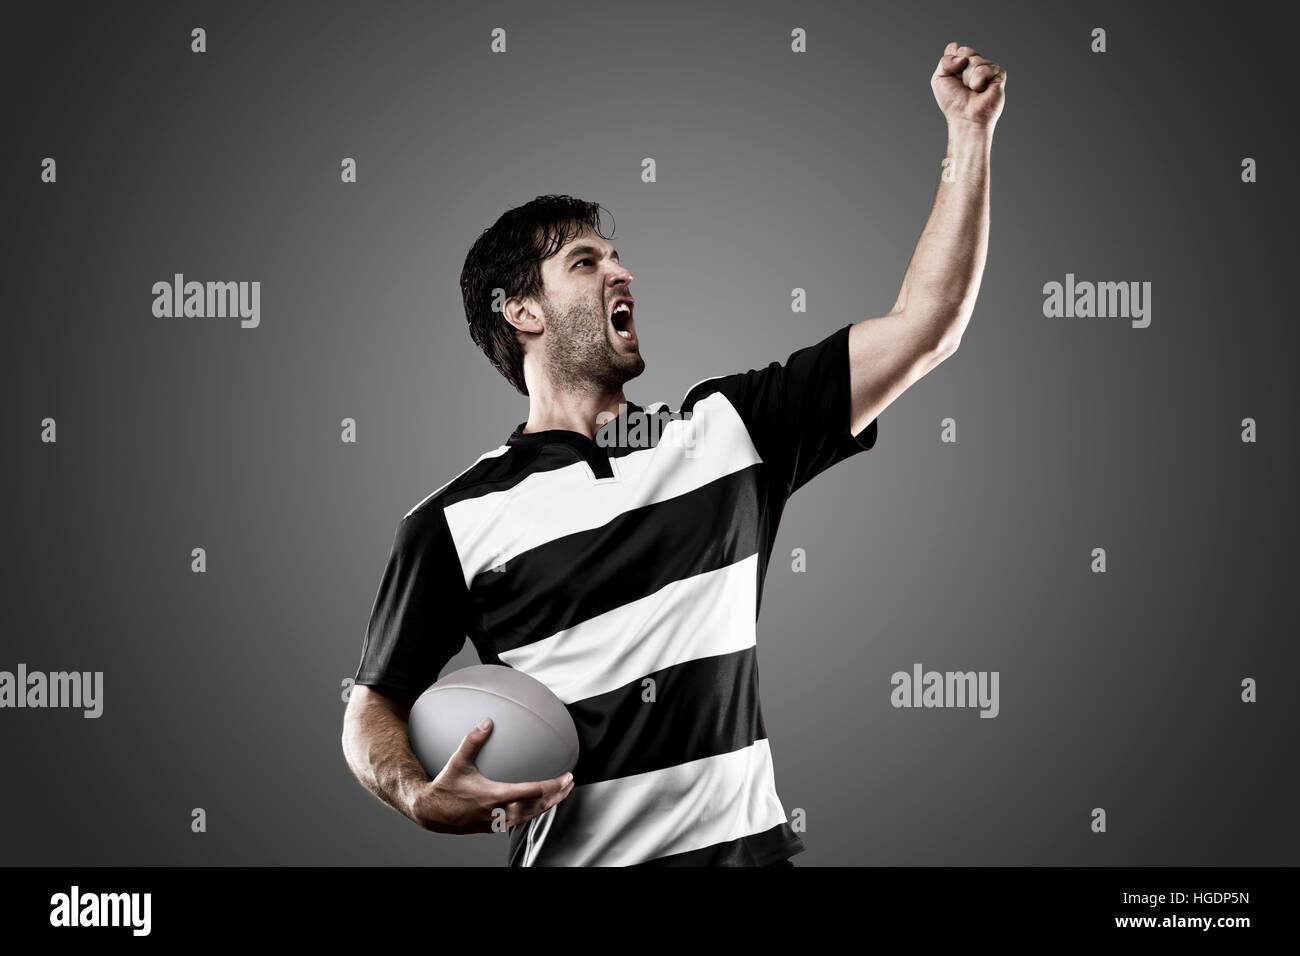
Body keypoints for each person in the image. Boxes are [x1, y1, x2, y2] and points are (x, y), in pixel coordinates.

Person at [341, 42, 1006, 866]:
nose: (621, 270)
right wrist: (415, 793)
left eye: (617, 255)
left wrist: (968, 135)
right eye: (585, 262)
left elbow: (924, 328)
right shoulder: (451, 520)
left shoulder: (729, 429)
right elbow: (372, 706)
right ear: (522, 313)